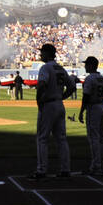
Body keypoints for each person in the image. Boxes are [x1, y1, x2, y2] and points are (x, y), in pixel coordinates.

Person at [29, 43, 75, 180]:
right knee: (61, 139)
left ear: (48, 53)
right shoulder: (60, 68)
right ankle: (65, 169)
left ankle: (41, 170)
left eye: (42, 52)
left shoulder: (45, 67)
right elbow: (72, 86)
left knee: (42, 138)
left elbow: (42, 84)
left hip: (48, 104)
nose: (40, 55)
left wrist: (39, 101)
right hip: (59, 104)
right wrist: (62, 97)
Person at [78, 57, 103, 176]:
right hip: (102, 106)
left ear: (92, 65)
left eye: (87, 64)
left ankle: (96, 166)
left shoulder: (90, 78)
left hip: (93, 108)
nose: (85, 66)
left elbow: (86, 96)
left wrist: (82, 111)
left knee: (94, 138)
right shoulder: (101, 78)